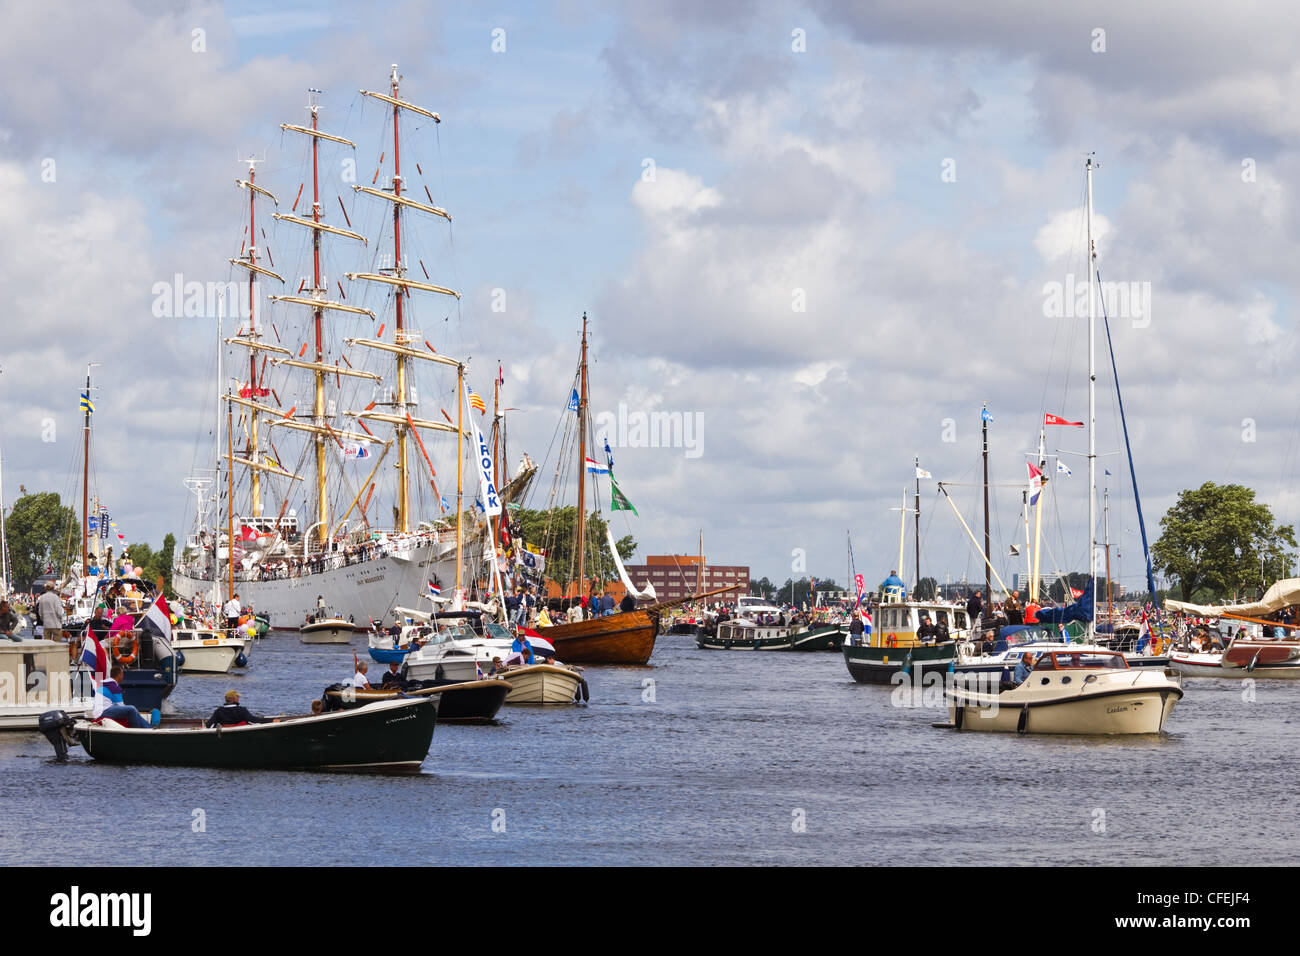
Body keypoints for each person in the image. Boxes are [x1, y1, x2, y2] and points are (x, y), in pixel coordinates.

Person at [205, 689, 274, 727]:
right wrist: (271, 721)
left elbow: (209, 725)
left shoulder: (218, 711)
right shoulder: (241, 710)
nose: (239, 698)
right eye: (238, 697)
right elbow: (253, 721)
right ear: (235, 699)